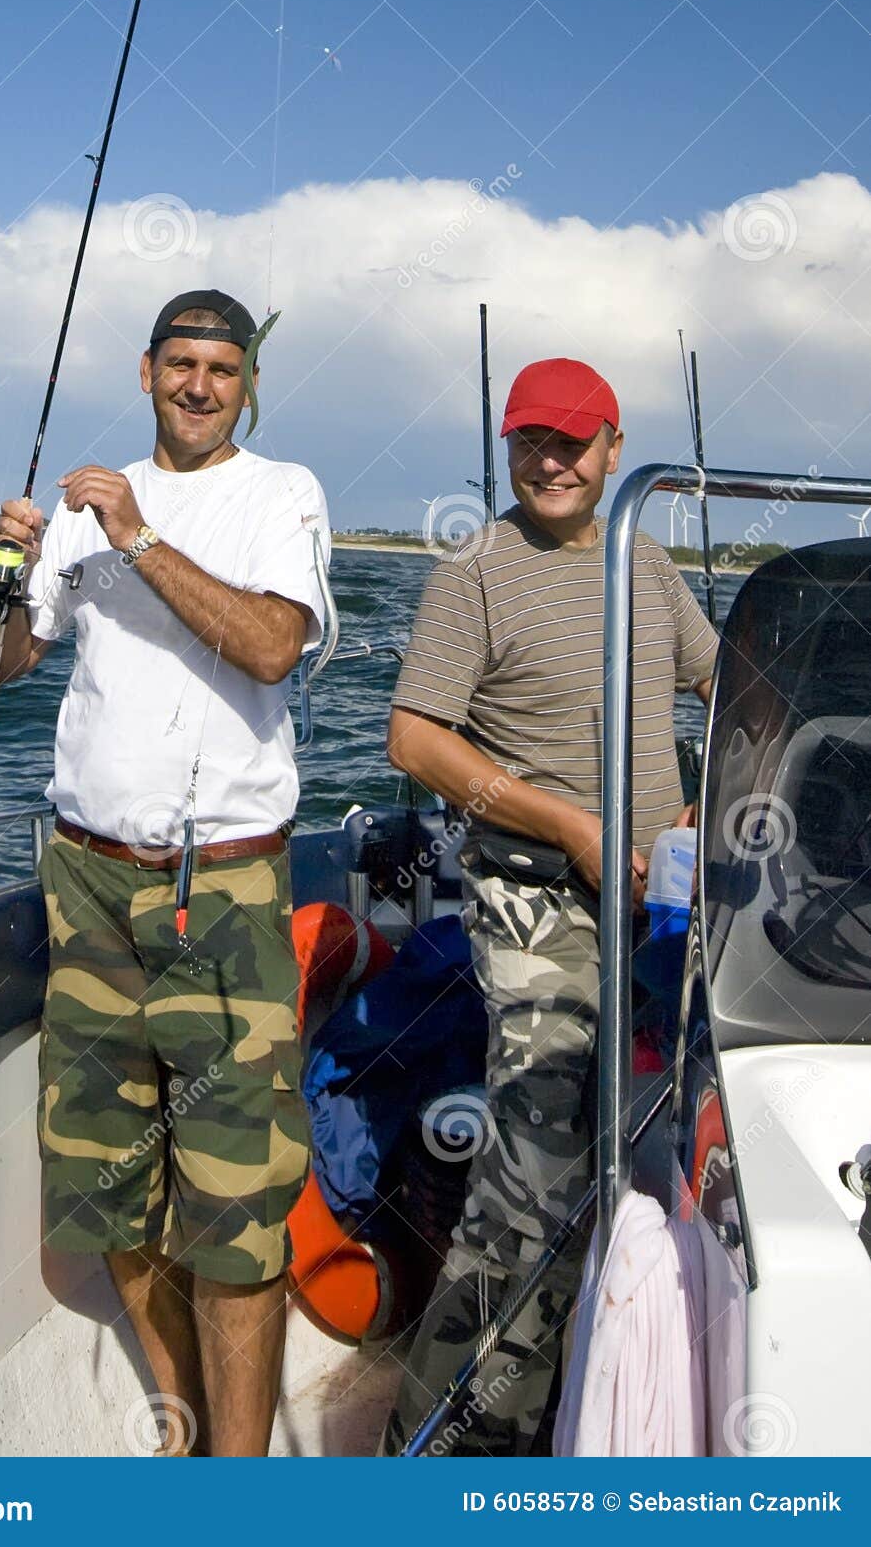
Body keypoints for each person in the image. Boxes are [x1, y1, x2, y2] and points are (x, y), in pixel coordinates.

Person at [0, 289, 330, 1458]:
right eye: (181, 363)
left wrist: (133, 535)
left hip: (217, 889)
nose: (199, 385)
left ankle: (239, 1487)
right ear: (146, 372)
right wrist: (5, 573)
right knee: (99, 1181)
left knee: (236, 1205)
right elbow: (8, 662)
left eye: (222, 369)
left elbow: (273, 645)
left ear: (247, 384)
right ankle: (185, 1433)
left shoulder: (280, 494)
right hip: (85, 882)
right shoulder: (86, 509)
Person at [381, 356, 717, 1455]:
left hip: (661, 908)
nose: (552, 461)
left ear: (615, 448)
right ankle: (442, 1453)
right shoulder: (474, 571)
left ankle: (593, 1413)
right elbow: (415, 740)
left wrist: (710, 801)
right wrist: (574, 828)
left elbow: (730, 688)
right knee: (531, 1186)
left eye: (574, 441)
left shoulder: (647, 561)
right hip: (536, 902)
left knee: (665, 1159)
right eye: (532, 440)